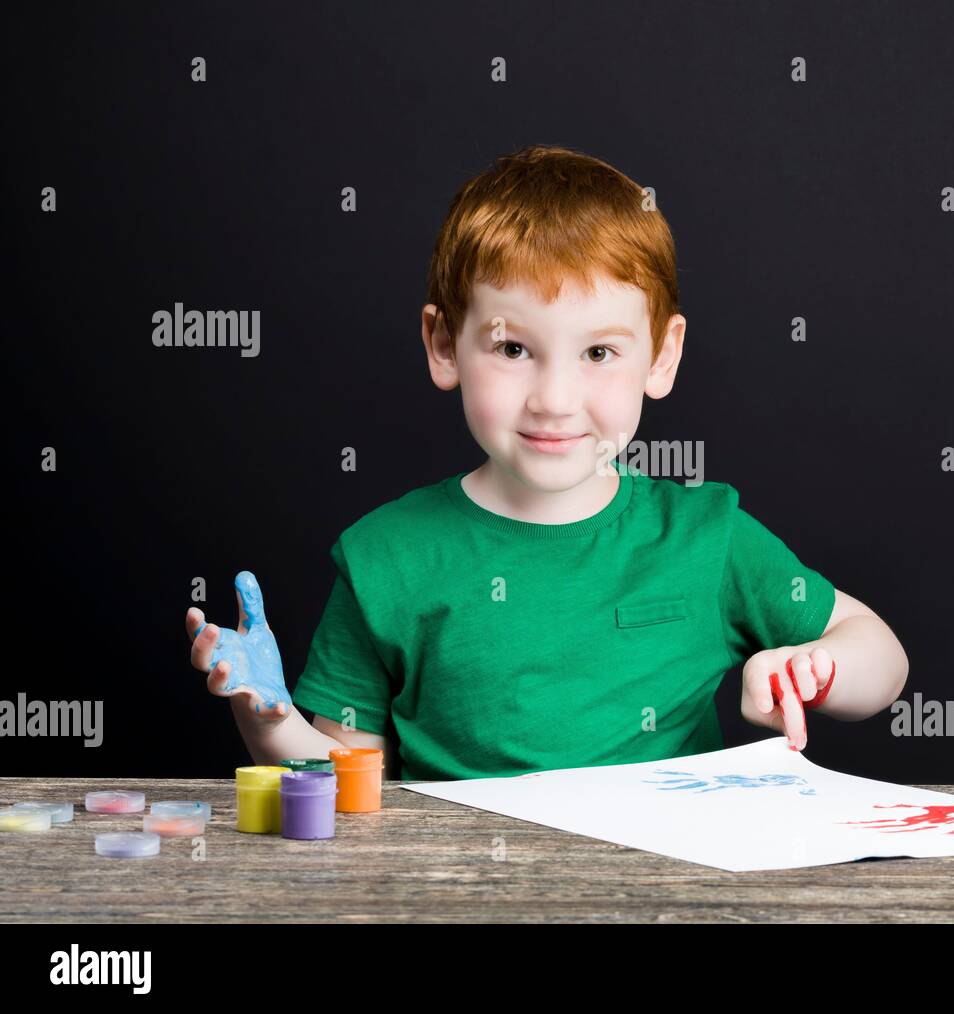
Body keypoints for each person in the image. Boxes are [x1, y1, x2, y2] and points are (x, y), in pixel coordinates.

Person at [186, 144, 908, 781]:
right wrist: (270, 719)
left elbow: (882, 657)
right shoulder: (386, 559)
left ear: (661, 355)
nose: (555, 400)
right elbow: (348, 784)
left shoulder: (705, 536)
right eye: (512, 349)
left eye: (599, 353)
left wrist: (816, 670)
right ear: (444, 346)